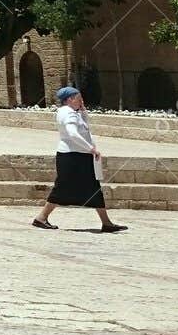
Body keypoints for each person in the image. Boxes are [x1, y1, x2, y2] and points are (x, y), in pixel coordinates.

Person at [34, 86, 128, 232]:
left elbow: (85, 127)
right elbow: (73, 134)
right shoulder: (69, 113)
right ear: (70, 99)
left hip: (78, 155)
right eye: (78, 98)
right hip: (72, 156)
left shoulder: (71, 112)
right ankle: (41, 218)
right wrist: (90, 148)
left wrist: (83, 111)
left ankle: (106, 222)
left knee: (93, 187)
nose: (81, 100)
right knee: (62, 187)